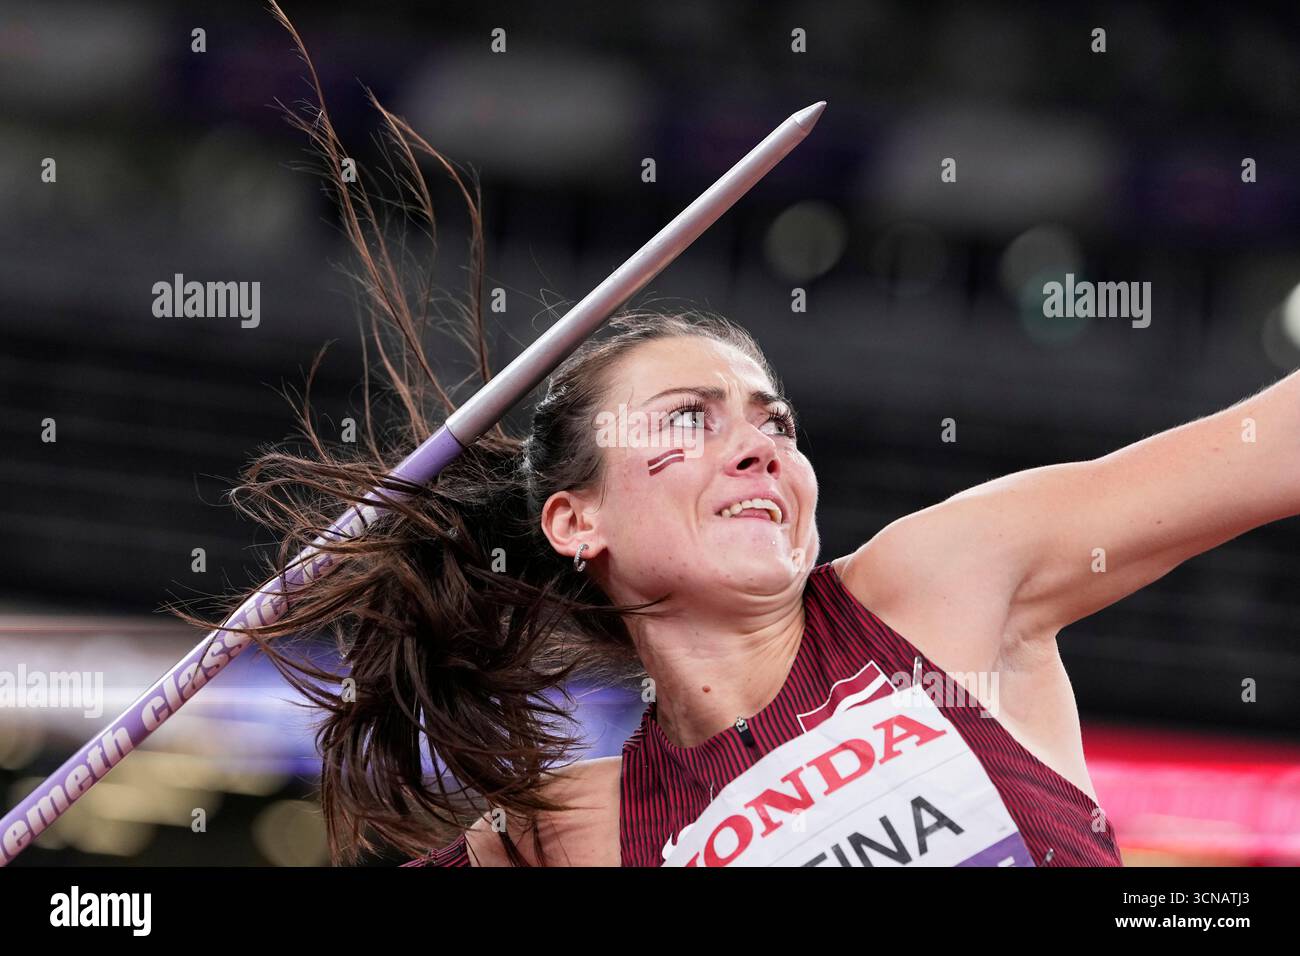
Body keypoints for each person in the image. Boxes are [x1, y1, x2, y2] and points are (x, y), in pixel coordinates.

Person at [184, 5, 1300, 867]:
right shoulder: (576, 827)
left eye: (774, 421)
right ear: (575, 518)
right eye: (688, 420)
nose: (761, 446)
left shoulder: (935, 588)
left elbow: (1270, 444)